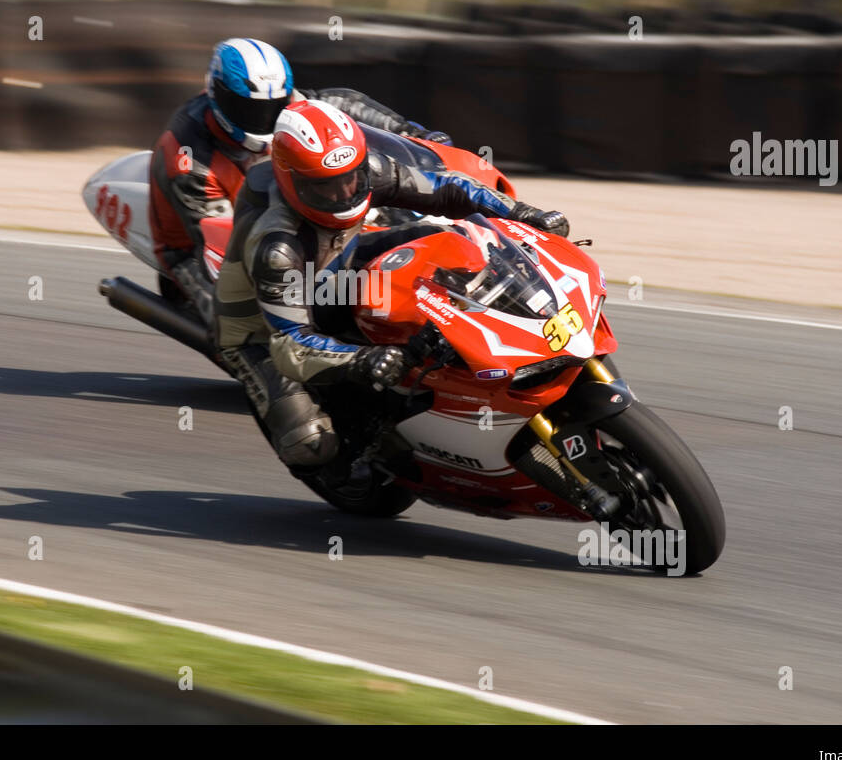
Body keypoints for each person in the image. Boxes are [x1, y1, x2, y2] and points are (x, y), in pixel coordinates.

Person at [214, 98, 568, 492]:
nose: (344, 192)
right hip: (264, 329)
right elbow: (289, 344)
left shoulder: (363, 171)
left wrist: (520, 212)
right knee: (311, 443)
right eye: (324, 186)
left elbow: (447, 188)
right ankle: (345, 460)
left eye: (352, 177)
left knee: (445, 240)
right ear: (290, 180)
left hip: (335, 266)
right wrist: (363, 359)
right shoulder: (277, 247)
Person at [148, 38, 449, 325]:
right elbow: (227, 247)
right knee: (241, 316)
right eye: (248, 107)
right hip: (196, 248)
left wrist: (412, 134)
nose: (263, 117)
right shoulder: (190, 158)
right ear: (218, 93)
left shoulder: (291, 106)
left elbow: (341, 103)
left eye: (273, 105)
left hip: (284, 202)